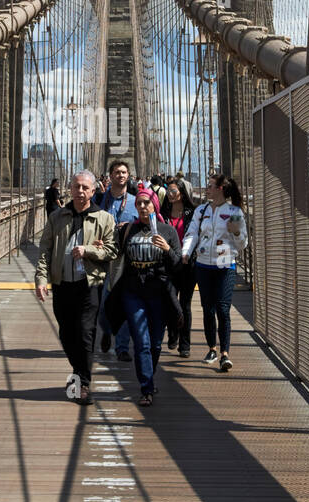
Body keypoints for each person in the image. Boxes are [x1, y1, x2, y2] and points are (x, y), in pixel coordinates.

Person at [35, 170, 118, 404]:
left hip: (89, 284)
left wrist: (89, 250)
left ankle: (83, 383)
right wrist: (42, 280)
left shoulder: (104, 219)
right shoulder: (57, 217)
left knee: (85, 331)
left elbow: (112, 250)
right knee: (66, 333)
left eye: (85, 187)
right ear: (70, 189)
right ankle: (78, 370)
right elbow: (45, 251)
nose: (80, 191)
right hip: (62, 284)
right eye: (76, 186)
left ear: (94, 191)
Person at [103, 188, 182, 406]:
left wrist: (167, 249)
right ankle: (146, 388)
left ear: (155, 205)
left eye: (147, 202)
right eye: (139, 203)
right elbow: (115, 253)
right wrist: (101, 246)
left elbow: (177, 265)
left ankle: (150, 375)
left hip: (159, 293)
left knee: (156, 343)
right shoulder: (129, 229)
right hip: (133, 291)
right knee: (142, 342)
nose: (143, 207)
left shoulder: (167, 232)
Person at [182, 173, 248, 373]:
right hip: (203, 263)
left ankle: (225, 354)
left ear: (220, 189)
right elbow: (193, 232)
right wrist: (186, 252)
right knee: (208, 308)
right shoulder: (201, 210)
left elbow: (243, 243)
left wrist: (236, 232)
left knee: (223, 308)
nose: (207, 188)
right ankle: (212, 348)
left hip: (225, 263)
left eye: (210, 186)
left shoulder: (234, 212)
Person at [98, 159, 140, 360]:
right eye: (116, 172)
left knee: (124, 302)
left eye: (124, 172)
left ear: (128, 176)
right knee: (102, 303)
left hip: (125, 259)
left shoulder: (136, 202)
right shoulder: (99, 200)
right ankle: (106, 329)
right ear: (110, 176)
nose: (120, 175)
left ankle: (123, 347)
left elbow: (144, 228)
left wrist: (129, 229)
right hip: (101, 258)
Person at [163, 178, 199, 357]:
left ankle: (185, 345)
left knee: (185, 304)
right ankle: (173, 334)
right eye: (168, 191)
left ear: (182, 193)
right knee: (170, 301)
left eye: (173, 191)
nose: (170, 194)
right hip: (168, 264)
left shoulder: (193, 213)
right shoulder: (163, 212)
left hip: (187, 265)